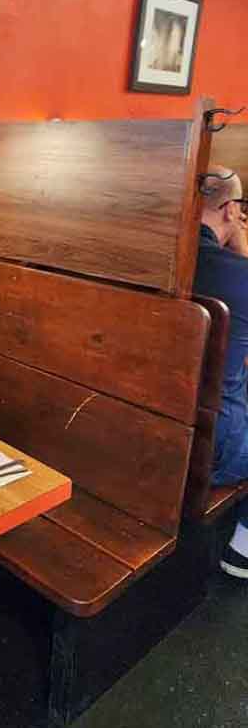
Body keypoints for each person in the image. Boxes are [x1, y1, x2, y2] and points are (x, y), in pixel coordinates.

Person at [194, 165, 248, 577]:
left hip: (152, 424)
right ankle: (242, 548)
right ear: (231, 209)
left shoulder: (157, 253)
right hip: (211, 449)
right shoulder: (239, 273)